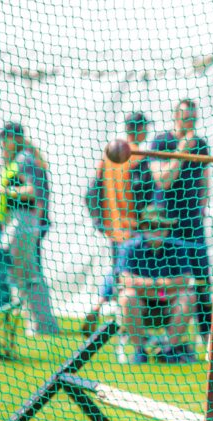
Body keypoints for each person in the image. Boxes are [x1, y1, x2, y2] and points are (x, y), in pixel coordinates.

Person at [81, 112, 157, 338]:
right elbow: (145, 193)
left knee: (118, 271)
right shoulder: (138, 157)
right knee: (127, 276)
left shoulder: (109, 154)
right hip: (133, 226)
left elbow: (92, 191)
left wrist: (100, 222)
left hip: (113, 226)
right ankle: (126, 325)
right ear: (139, 129)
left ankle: (99, 305)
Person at [148, 99, 211, 346]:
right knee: (168, 277)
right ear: (176, 116)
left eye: (193, 118)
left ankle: (207, 337)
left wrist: (202, 207)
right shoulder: (161, 141)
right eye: (186, 117)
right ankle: (163, 336)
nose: (190, 122)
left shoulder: (202, 145)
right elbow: (163, 180)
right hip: (166, 222)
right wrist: (181, 151)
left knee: (202, 278)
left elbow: (204, 181)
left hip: (192, 222)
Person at [0, 122, 58, 335]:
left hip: (25, 224)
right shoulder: (19, 160)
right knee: (25, 274)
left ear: (16, 138)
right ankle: (41, 325)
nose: (2, 143)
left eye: (5, 138)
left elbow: (32, 191)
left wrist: (1, 190)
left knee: (26, 275)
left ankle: (43, 325)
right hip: (19, 223)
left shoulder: (25, 159)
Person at [117, 204, 195, 364]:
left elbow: (185, 279)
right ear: (144, 228)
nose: (158, 231)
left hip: (167, 303)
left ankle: (169, 350)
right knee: (127, 296)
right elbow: (125, 280)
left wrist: (148, 285)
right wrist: (161, 284)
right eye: (153, 227)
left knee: (189, 296)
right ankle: (140, 351)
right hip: (142, 304)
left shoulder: (177, 247)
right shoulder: (130, 247)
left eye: (162, 226)